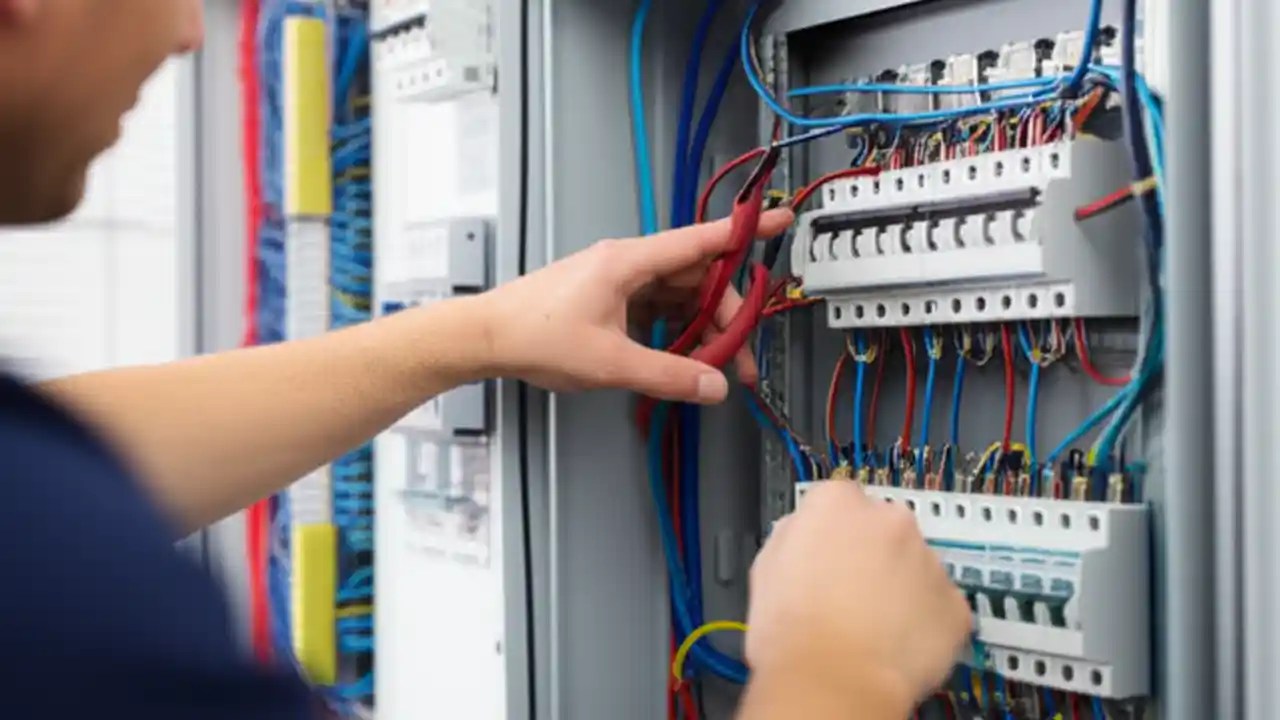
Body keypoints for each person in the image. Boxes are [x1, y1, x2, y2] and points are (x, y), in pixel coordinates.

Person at [0, 0, 971, 717]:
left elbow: (69, 466)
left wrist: (478, 332)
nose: (187, 31)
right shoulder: (70, 597)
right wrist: (838, 670)